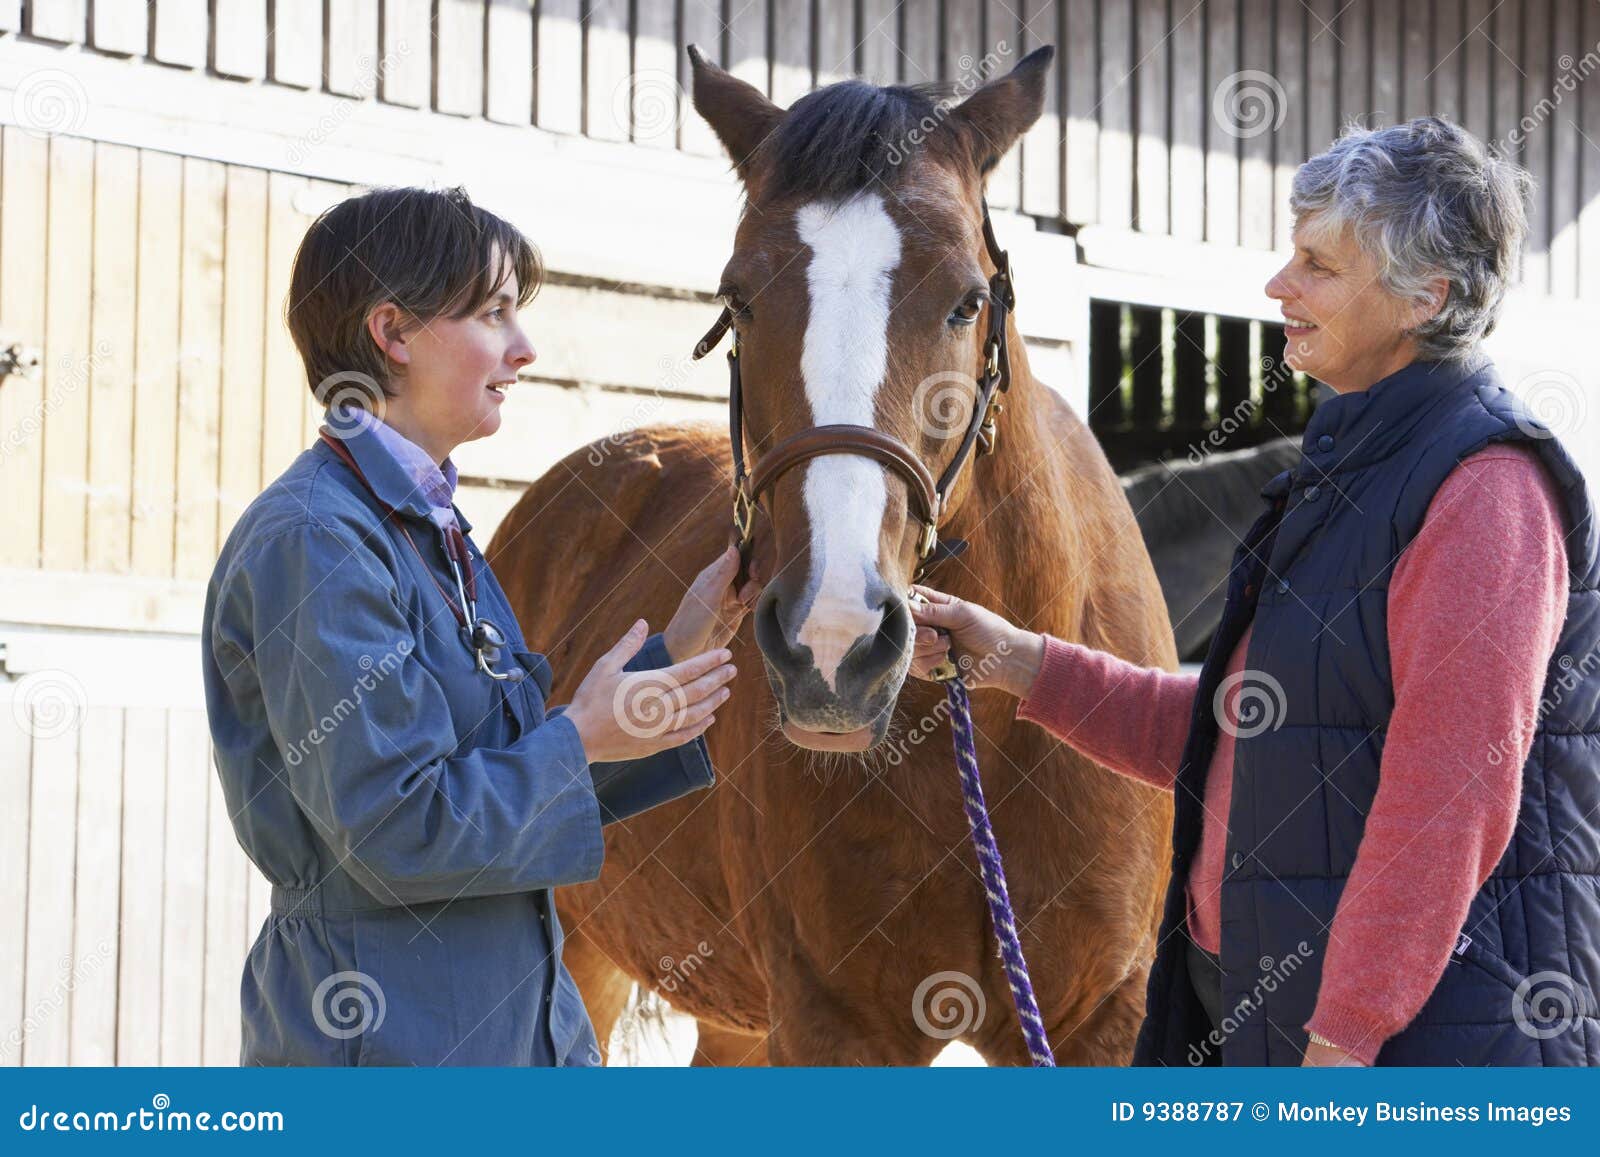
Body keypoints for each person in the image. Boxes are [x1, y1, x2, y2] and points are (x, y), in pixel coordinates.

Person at [911, 117, 1599, 1066]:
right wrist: (1017, 659)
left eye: (1317, 264)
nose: (1280, 286)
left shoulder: (1485, 490)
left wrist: (1344, 1039)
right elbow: (1250, 732)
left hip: (1405, 1047)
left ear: (1422, 296)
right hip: (1264, 1003)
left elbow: (1446, 803)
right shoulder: (1353, 468)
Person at [201, 186, 756, 1065]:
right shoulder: (317, 541)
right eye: (495, 314)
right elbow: (397, 830)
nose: (525, 349)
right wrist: (579, 736)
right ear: (393, 334)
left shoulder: (430, 526)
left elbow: (499, 787)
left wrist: (676, 651)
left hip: (518, 1039)